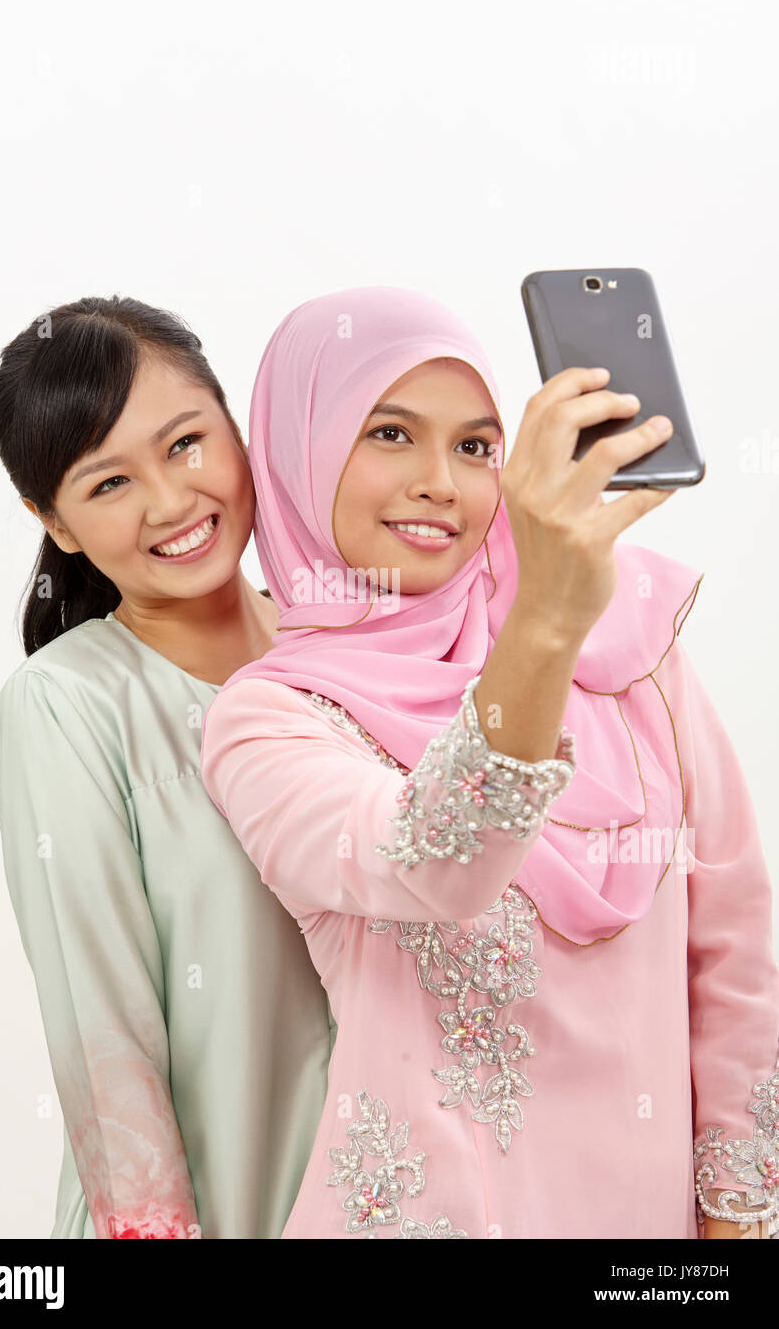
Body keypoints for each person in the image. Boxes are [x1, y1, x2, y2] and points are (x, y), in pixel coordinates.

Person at [199, 284, 779, 1240]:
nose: (443, 482)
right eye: (389, 434)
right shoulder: (269, 719)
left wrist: (740, 1205)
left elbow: (733, 928)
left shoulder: (623, 639)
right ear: (298, 452)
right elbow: (436, 861)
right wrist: (548, 621)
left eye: (475, 446)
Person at [0, 296, 335, 1238]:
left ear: (237, 427)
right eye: (108, 484)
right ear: (50, 520)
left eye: (186, 443)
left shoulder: (349, 653)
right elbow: (109, 1053)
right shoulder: (68, 706)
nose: (173, 503)